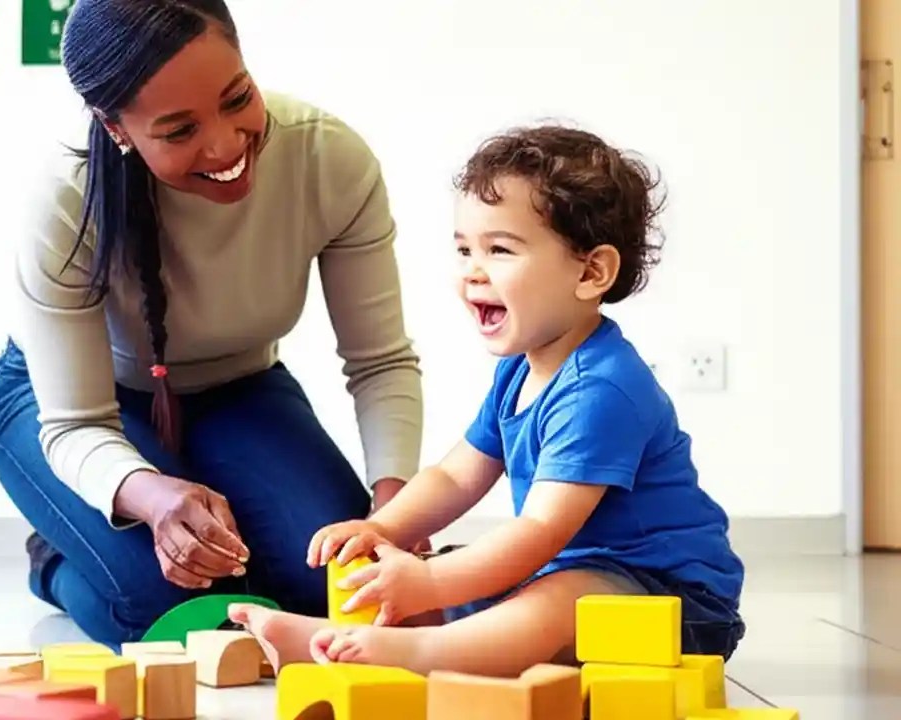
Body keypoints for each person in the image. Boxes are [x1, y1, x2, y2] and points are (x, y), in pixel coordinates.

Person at [0, 0, 426, 647]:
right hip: (74, 407)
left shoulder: (327, 157)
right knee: (179, 613)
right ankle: (57, 560)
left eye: (237, 97)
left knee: (333, 586)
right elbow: (77, 422)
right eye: (180, 130)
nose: (224, 144)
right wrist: (152, 497)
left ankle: (174, 521)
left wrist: (394, 513)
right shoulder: (67, 197)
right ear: (117, 128)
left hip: (238, 387)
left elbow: (380, 361)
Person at [229, 125, 747, 678]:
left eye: (499, 250)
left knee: (553, 596)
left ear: (591, 272)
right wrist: (385, 530)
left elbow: (539, 531)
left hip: (674, 600)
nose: (472, 270)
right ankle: (333, 641)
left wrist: (428, 582)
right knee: (457, 575)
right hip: (560, 570)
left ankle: (419, 660)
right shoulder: (519, 372)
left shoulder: (602, 390)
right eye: (463, 249)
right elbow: (455, 477)